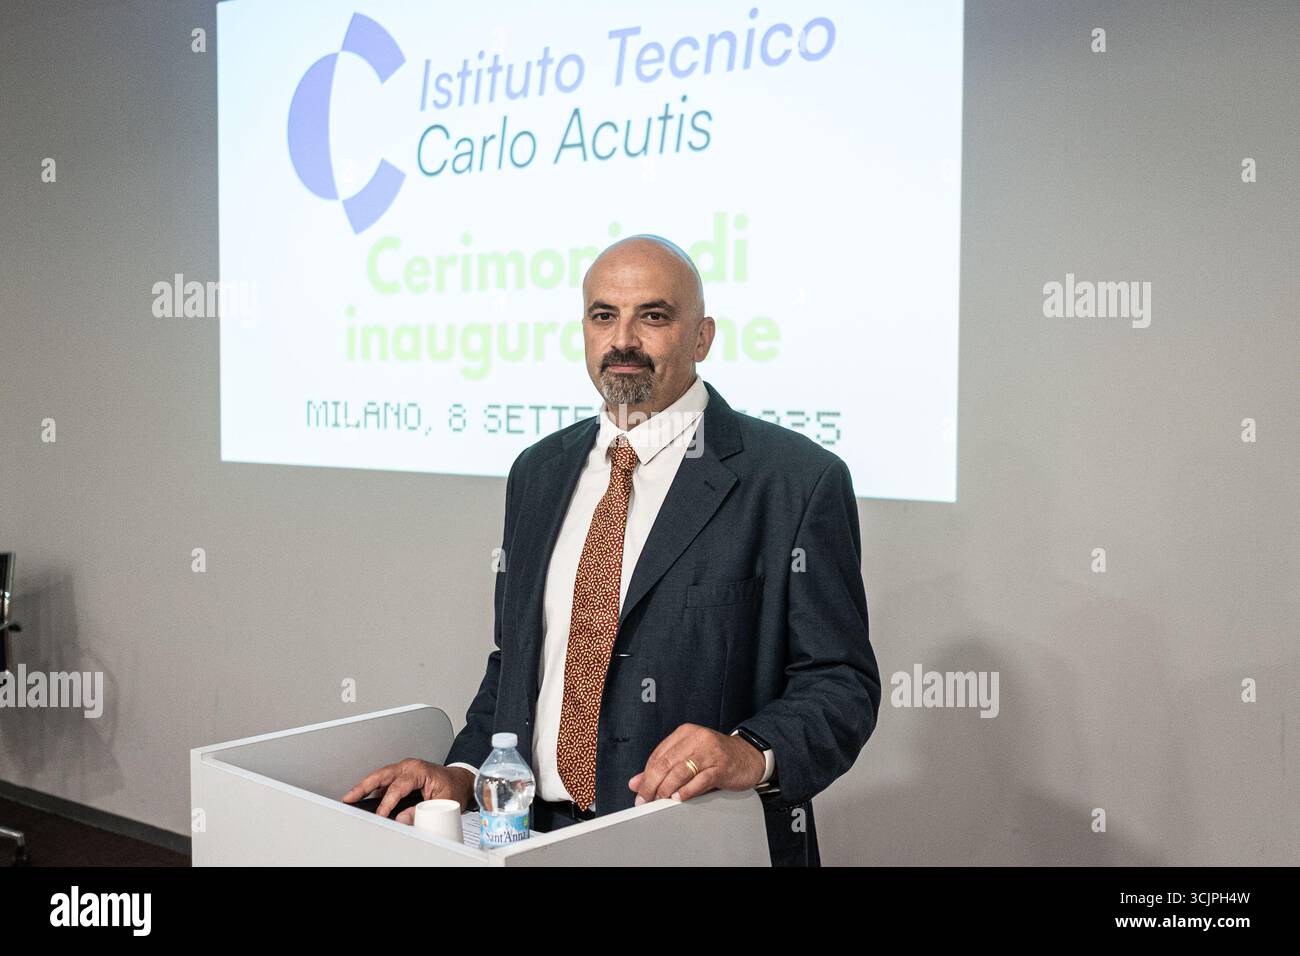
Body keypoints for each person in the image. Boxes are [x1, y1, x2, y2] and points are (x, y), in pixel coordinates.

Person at [343, 235, 880, 865]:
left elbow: (841, 683)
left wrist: (750, 749)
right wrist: (463, 771)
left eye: (653, 316)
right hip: (529, 840)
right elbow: (516, 661)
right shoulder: (538, 472)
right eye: (604, 315)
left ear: (702, 337)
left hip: (697, 843)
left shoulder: (795, 480)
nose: (624, 339)